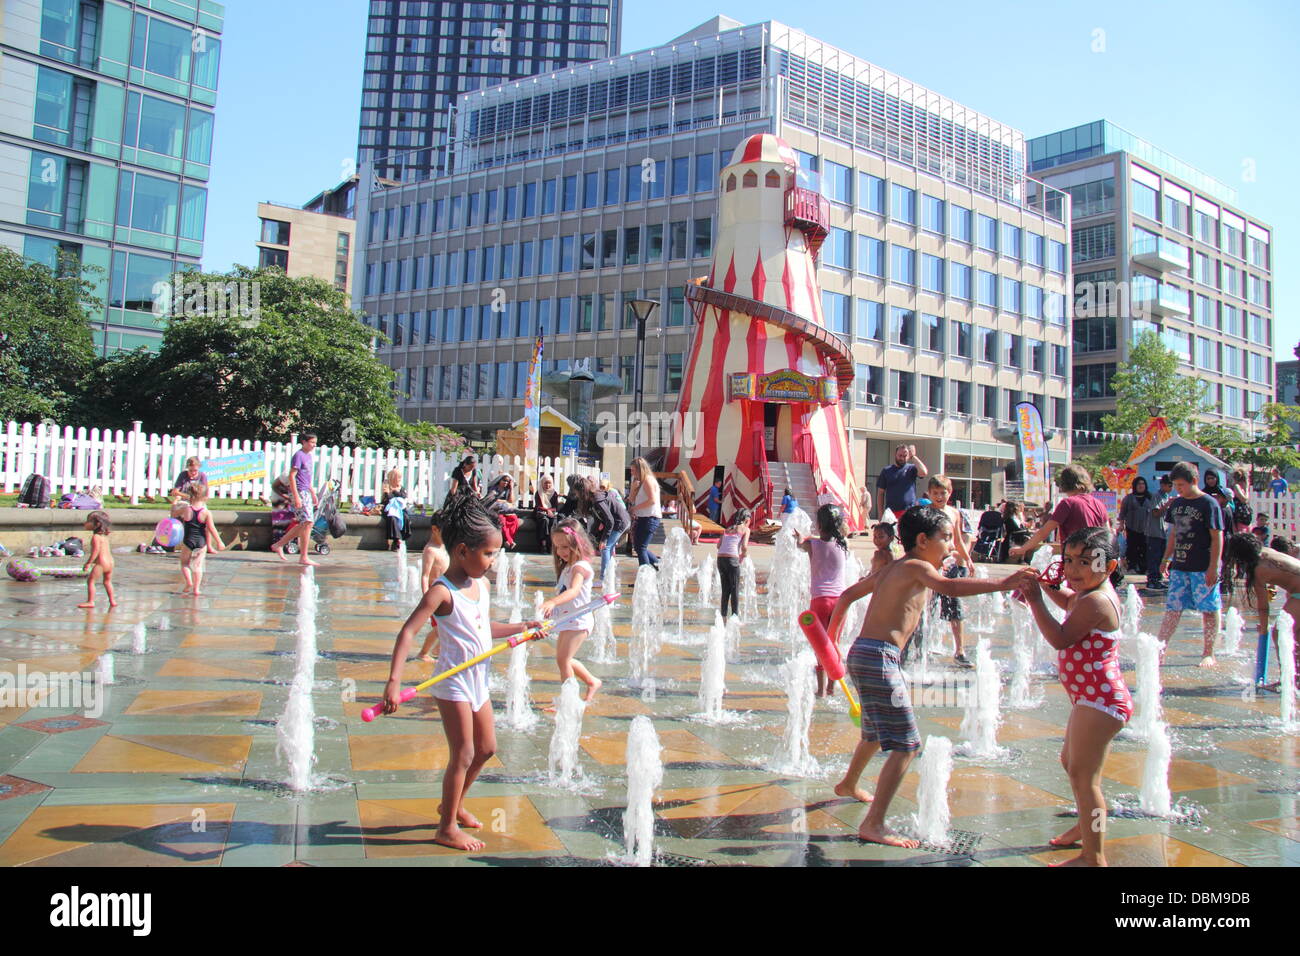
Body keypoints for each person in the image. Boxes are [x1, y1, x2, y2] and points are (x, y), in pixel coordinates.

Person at [825, 506, 1031, 845]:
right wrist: (1001, 584)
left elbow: (846, 596)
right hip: (880, 657)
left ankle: (848, 783)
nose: (952, 546)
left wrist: (831, 644)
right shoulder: (919, 567)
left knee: (875, 733)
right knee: (907, 746)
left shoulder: (893, 568)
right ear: (922, 541)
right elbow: (949, 588)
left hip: (862, 653)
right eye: (946, 538)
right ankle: (873, 824)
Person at [380, 493, 539, 851]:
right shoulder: (443, 592)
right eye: (488, 554)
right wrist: (394, 682)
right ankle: (446, 827)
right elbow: (407, 632)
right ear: (463, 551)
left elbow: (485, 630)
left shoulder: (479, 586)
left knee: (486, 748)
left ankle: (452, 805)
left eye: (496, 554)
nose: (493, 562)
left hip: (478, 679)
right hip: (452, 682)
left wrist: (523, 626)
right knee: (464, 752)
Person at [1019, 527, 1131, 867]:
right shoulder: (1087, 593)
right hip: (1090, 697)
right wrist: (1050, 588)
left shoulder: (1097, 600)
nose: (1073, 570)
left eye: (1086, 562)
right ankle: (1086, 827)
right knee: (1072, 765)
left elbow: (1060, 638)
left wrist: (1036, 600)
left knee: (1085, 777)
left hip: (1101, 700)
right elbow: (1069, 600)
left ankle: (1093, 856)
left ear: (1110, 566)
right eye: (1068, 560)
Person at [1157, 461, 1224, 668]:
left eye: (1181, 485)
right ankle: (1160, 650)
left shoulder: (1208, 504)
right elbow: (1174, 533)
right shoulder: (1177, 504)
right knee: (1172, 609)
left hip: (1203, 565)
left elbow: (1217, 537)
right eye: (1176, 485)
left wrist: (1214, 567)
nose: (1179, 489)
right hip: (1180, 565)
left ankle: (1208, 653)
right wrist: (1166, 558)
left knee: (1209, 609)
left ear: (1194, 481)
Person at [1224, 532, 1300, 690]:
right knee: (1295, 637)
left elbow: (1264, 607)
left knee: (1279, 632)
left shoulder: (1258, 569)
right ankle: (1295, 679)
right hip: (1296, 593)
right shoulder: (1267, 551)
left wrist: (1264, 628)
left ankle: (1286, 682)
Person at [540, 519, 602, 704]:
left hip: (579, 620)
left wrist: (552, 602)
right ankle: (592, 681)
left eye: (565, 547)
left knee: (563, 661)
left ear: (578, 544)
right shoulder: (569, 566)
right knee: (563, 659)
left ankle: (569, 702)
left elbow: (573, 591)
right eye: (558, 547)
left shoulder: (580, 567)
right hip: (569, 619)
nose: (561, 552)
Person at [1009, 464, 1108, 562]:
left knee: (1075, 578)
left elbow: (1044, 532)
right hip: (1098, 558)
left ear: (1065, 483)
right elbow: (1108, 532)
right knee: (1096, 578)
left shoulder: (1068, 503)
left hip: (1077, 558)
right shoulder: (1099, 504)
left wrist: (1023, 549)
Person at [800, 504, 850, 695]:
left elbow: (800, 544)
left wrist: (799, 537)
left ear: (819, 524)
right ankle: (833, 686)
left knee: (820, 646)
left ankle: (820, 690)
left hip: (819, 600)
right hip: (840, 601)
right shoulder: (844, 545)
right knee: (834, 642)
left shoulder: (812, 544)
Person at [927, 476, 976, 668]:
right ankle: (922, 648)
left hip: (950, 566)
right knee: (926, 608)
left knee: (955, 607)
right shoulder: (926, 512)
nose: (939, 496)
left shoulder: (954, 513)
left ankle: (960, 650)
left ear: (950, 492)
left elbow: (957, 540)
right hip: (931, 566)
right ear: (929, 494)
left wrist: (968, 559)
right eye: (935, 493)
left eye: (943, 493)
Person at [271, 433, 320, 567]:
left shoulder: (308, 456)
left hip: (305, 491)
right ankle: (303, 556)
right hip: (299, 491)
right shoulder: (298, 456)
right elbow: (292, 476)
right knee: (307, 522)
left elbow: (307, 478)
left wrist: (312, 492)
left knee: (305, 523)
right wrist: (296, 496)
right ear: (304, 442)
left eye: (315, 442)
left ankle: (279, 544)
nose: (314, 445)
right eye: (312, 442)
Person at [177, 483, 225, 596]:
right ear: (205, 497)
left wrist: (175, 504)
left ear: (190, 496)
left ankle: (189, 582)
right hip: (201, 542)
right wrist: (219, 541)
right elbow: (211, 528)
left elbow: (174, 513)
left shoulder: (186, 509)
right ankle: (196, 589)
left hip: (188, 541)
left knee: (184, 563)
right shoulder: (206, 512)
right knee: (198, 566)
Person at [416, 515, 450, 663]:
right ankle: (423, 653)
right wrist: (426, 598)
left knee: (446, 625)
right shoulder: (430, 550)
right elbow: (425, 576)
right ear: (435, 529)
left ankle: (438, 650)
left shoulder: (444, 546)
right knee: (439, 627)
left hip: (446, 592)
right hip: (434, 594)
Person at [876, 444, 928, 523]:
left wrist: (913, 456)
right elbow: (880, 493)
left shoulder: (912, 469)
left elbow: (924, 472)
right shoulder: (886, 471)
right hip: (891, 513)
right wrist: (880, 514)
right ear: (895, 454)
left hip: (909, 513)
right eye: (900, 455)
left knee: (908, 535)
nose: (902, 458)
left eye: (905, 455)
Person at [591, 478, 631, 581]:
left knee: (605, 548)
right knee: (608, 548)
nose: (602, 489)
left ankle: (604, 579)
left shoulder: (605, 495)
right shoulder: (600, 496)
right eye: (601, 487)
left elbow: (610, 519)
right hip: (621, 520)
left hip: (621, 522)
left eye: (603, 487)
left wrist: (604, 539)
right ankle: (609, 576)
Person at [77, 510, 117, 609]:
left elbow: (95, 552)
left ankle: (90, 601)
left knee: (90, 581)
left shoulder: (96, 537)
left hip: (101, 563)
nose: (85, 523)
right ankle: (112, 600)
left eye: (88, 521)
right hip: (110, 562)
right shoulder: (104, 536)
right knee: (107, 582)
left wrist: (88, 563)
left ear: (97, 524)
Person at [716, 509, 751, 620]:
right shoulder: (745, 529)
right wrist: (743, 555)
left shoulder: (727, 529)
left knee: (725, 590)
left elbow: (718, 546)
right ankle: (735, 618)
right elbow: (744, 547)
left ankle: (723, 618)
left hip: (720, 559)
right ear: (747, 519)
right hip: (732, 559)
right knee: (734, 589)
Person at [628, 457, 662, 568]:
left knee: (641, 548)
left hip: (650, 518)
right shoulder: (639, 481)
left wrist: (635, 508)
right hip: (643, 517)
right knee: (639, 547)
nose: (632, 473)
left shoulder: (648, 480)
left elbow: (652, 500)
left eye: (633, 470)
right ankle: (659, 566)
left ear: (640, 469)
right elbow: (631, 500)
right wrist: (633, 489)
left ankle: (646, 576)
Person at [1117, 477, 1155, 576]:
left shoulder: (1150, 497)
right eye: (1138, 484)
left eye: (1143, 483)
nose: (1141, 486)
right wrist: (1121, 524)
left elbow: (1156, 513)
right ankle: (1132, 567)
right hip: (1132, 527)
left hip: (1147, 529)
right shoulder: (1128, 498)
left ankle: (1144, 568)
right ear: (1135, 486)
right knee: (1132, 548)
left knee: (1145, 548)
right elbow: (1122, 513)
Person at [1143, 476, 1175, 591]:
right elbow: (1155, 513)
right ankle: (1152, 580)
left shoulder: (1166, 496)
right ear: (1163, 485)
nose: (1172, 488)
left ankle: (1159, 579)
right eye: (1170, 485)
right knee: (1154, 557)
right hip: (1154, 532)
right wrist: (1167, 505)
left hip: (1163, 532)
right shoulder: (1157, 496)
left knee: (1161, 556)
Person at [483, 475, 520, 550]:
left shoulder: (507, 490)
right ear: (499, 480)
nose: (505, 482)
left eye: (507, 481)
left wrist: (511, 488)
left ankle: (508, 541)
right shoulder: (494, 489)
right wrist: (505, 501)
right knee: (502, 521)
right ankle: (510, 541)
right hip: (495, 511)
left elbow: (511, 501)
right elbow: (493, 500)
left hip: (506, 511)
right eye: (504, 480)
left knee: (514, 519)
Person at [381, 469, 410, 551]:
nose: (400, 479)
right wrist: (393, 493)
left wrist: (395, 492)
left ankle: (402, 539)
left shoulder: (401, 487)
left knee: (406, 518)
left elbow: (403, 496)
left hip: (400, 509)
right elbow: (387, 498)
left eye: (400, 477)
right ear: (393, 477)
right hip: (389, 509)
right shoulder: (386, 485)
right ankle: (397, 540)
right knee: (393, 518)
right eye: (398, 477)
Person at [534, 476, 560, 553]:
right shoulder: (539, 493)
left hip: (551, 513)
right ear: (542, 483)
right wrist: (547, 510)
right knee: (544, 521)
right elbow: (538, 506)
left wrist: (550, 511)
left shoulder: (554, 493)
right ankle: (543, 544)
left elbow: (555, 506)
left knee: (553, 521)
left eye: (549, 483)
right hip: (541, 512)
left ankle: (550, 544)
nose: (547, 485)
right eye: (546, 483)